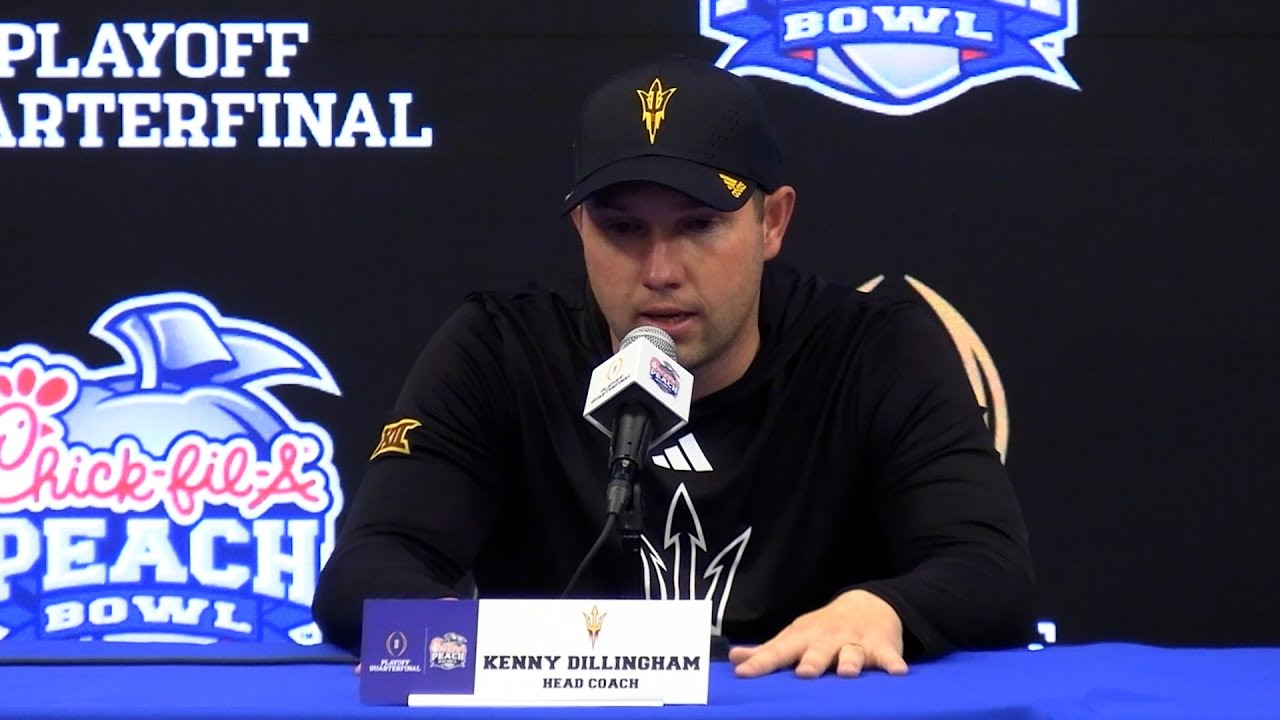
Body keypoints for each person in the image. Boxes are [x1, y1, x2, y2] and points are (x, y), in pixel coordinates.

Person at [312, 55, 1035, 679]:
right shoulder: (500, 351)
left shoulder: (872, 350)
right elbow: (366, 569)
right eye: (623, 229)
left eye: (699, 225)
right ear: (579, 228)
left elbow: (990, 570)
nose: (660, 271)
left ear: (772, 222)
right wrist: (468, 640)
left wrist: (880, 610)